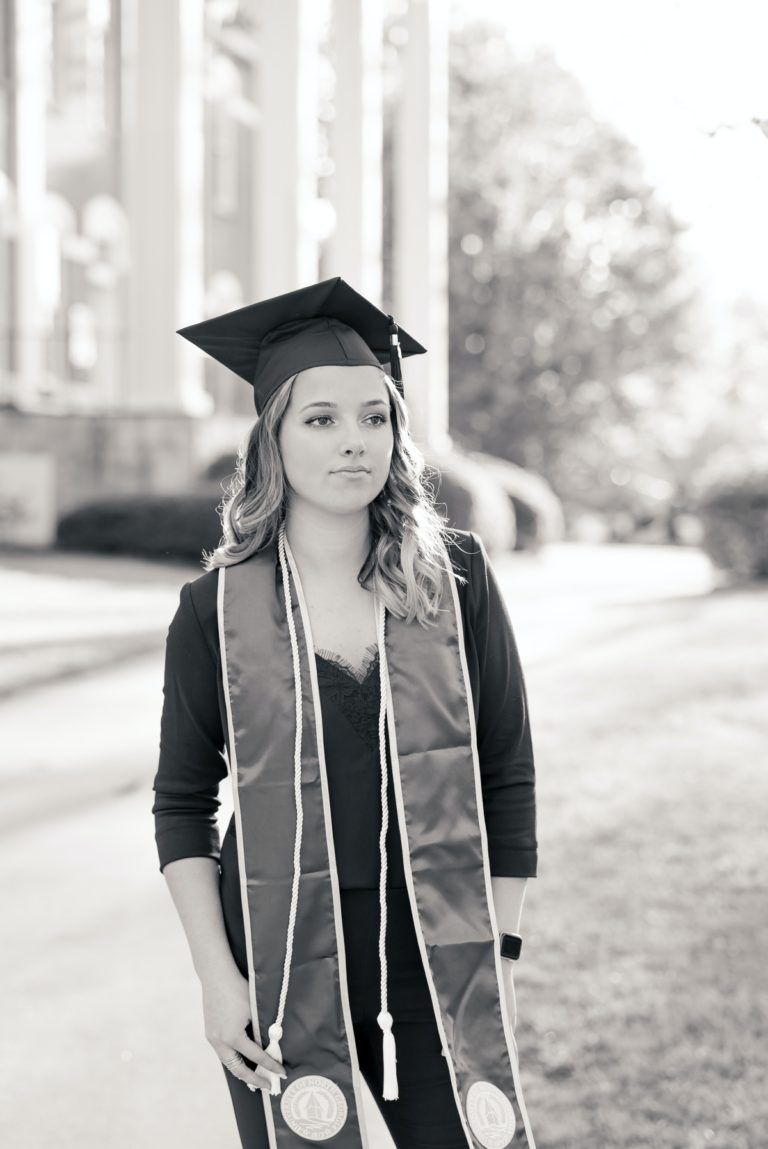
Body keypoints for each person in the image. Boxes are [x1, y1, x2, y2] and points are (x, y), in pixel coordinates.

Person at [152, 278, 539, 1149]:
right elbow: (181, 804)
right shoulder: (214, 610)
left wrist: (502, 957)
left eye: (375, 416)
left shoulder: (455, 581)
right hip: (276, 952)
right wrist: (218, 979)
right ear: (274, 439)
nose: (353, 442)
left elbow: (506, 772)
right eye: (320, 419)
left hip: (434, 946)